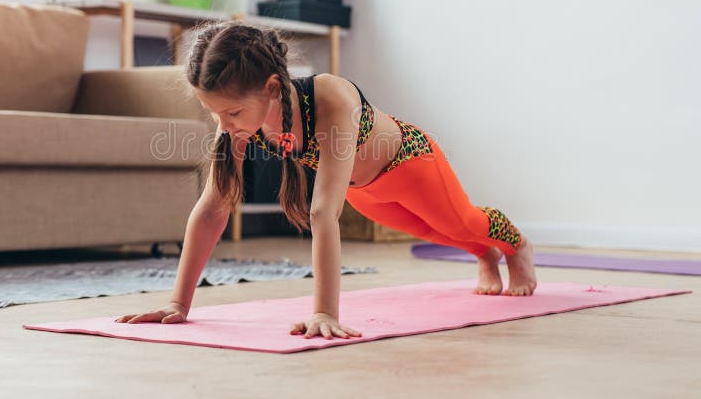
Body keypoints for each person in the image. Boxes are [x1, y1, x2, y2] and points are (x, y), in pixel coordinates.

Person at [115, 21, 537, 340]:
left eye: (232, 114)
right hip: (364, 190)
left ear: (272, 87)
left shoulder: (331, 98)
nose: (223, 126)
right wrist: (178, 303)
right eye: (214, 114)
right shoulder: (241, 124)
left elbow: (322, 211)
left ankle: (514, 245)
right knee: (434, 232)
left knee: (459, 221)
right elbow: (212, 208)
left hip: (412, 164)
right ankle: (484, 256)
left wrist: (324, 313)